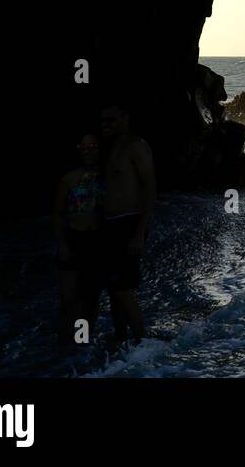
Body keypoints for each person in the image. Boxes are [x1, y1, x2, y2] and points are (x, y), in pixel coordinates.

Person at [97, 103, 156, 344]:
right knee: (113, 288)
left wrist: (139, 232)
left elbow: (150, 189)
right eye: (102, 121)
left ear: (125, 119)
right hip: (110, 225)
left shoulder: (136, 147)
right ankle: (120, 338)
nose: (105, 125)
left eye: (111, 119)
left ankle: (143, 343)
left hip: (129, 224)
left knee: (123, 288)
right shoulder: (111, 149)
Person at [52, 132, 104, 350]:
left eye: (92, 146)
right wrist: (62, 244)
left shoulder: (108, 176)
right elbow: (57, 214)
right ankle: (65, 343)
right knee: (69, 298)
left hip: (96, 241)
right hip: (73, 238)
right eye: (84, 147)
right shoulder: (69, 178)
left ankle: (83, 341)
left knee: (90, 297)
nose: (88, 150)